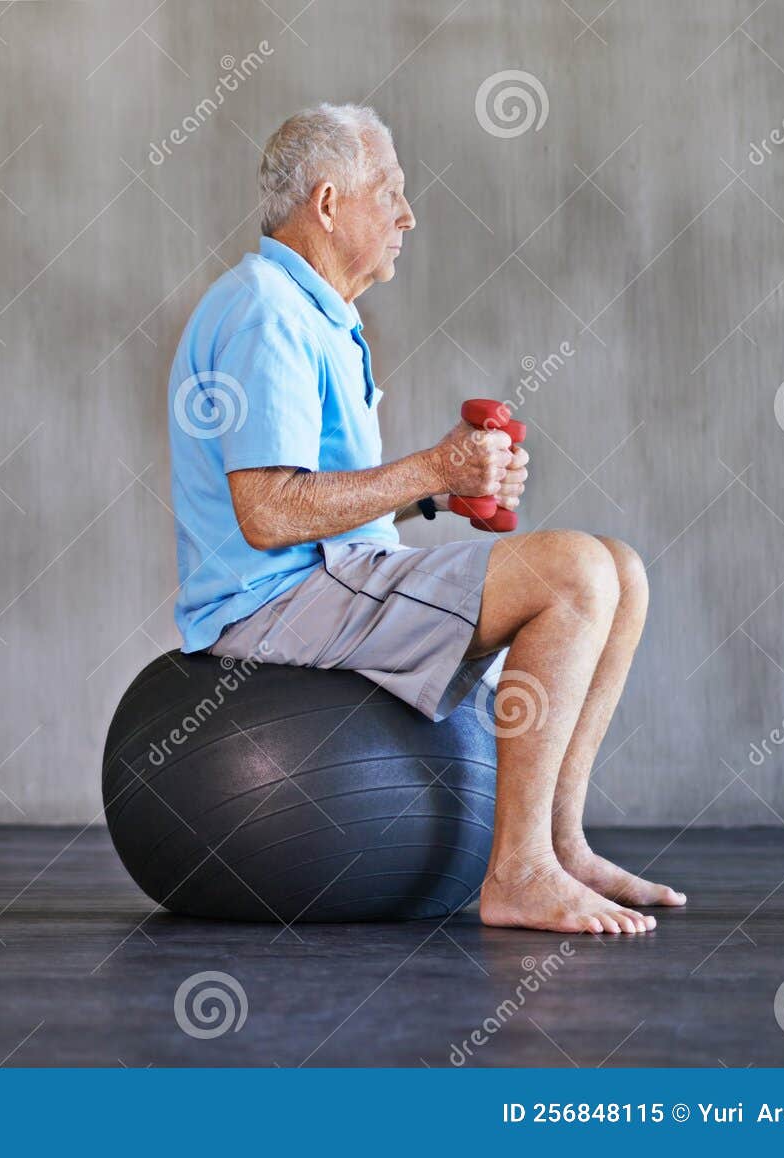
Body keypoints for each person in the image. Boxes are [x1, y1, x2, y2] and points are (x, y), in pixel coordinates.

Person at [167, 102, 685, 935]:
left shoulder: (318, 313)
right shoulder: (266, 310)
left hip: (332, 575)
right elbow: (266, 514)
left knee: (620, 567)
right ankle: (515, 873)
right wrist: (435, 465)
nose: (408, 215)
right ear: (329, 204)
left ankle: (558, 844)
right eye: (391, 192)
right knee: (575, 573)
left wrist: (438, 495)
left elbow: (325, 494)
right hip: (271, 602)